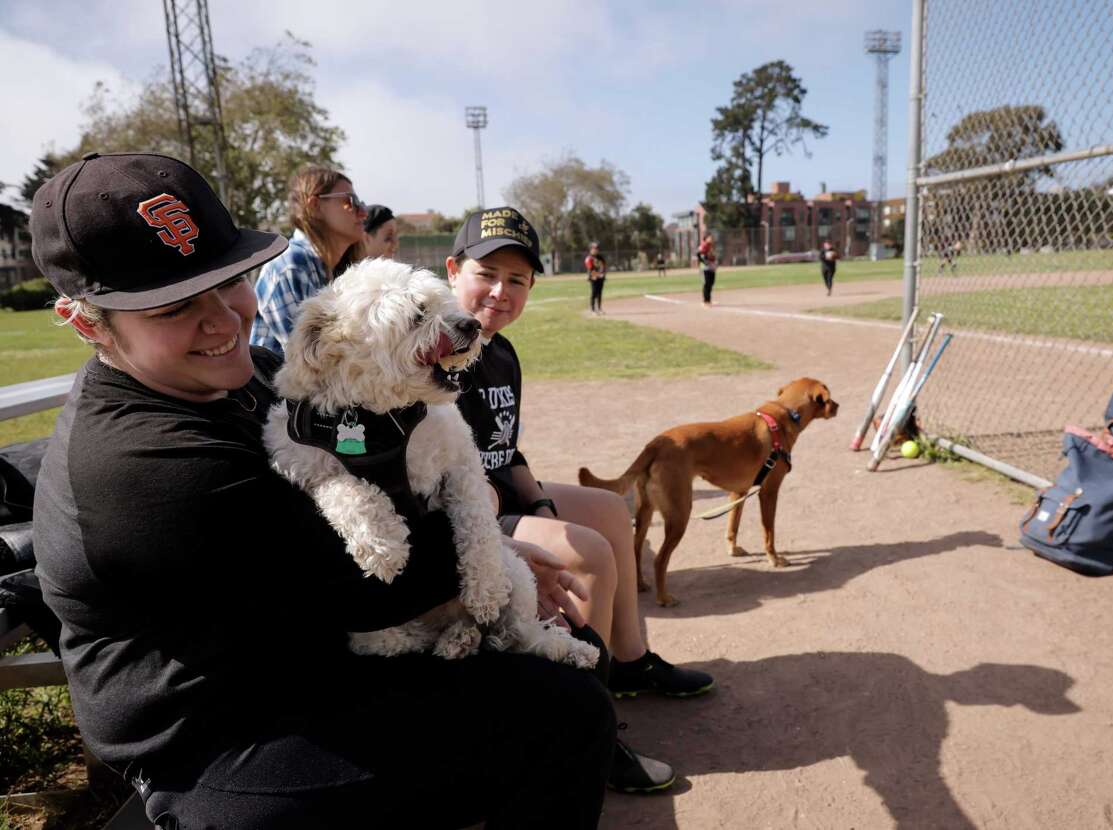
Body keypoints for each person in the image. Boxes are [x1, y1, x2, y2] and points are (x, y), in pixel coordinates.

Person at [30, 153, 615, 829]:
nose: (224, 321)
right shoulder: (148, 461)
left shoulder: (229, 374)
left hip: (302, 654)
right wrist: (493, 546)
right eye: (174, 307)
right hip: (216, 739)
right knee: (564, 709)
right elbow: (371, 586)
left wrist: (491, 537)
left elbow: (389, 438)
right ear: (87, 323)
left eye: (230, 283)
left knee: (571, 659)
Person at [446, 207, 715, 795]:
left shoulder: (501, 352)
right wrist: (528, 524)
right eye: (486, 273)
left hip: (497, 495)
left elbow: (507, 454)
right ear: (451, 271)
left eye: (517, 280)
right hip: (458, 514)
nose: (500, 291)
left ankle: (628, 659)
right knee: (586, 552)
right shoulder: (435, 352)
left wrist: (541, 506)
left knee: (610, 512)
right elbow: (436, 477)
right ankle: (586, 726)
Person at [250, 166, 367, 354]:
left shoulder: (330, 268)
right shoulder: (290, 264)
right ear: (315, 206)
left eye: (361, 203)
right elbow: (309, 358)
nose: (363, 212)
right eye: (350, 201)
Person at [584, 241, 607, 315]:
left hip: (601, 277)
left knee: (600, 293)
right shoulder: (589, 258)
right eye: (594, 248)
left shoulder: (601, 257)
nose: (596, 250)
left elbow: (603, 267)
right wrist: (597, 275)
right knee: (594, 293)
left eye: (597, 248)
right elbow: (590, 269)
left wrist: (603, 274)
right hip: (593, 277)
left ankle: (599, 308)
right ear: (591, 249)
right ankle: (593, 309)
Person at [697, 232, 717, 306]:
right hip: (705, 267)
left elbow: (712, 256)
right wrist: (704, 262)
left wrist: (714, 264)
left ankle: (709, 300)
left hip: (711, 266)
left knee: (711, 282)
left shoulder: (711, 246)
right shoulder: (704, 245)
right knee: (707, 283)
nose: (711, 239)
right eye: (710, 237)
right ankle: (706, 300)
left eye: (712, 238)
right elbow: (699, 254)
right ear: (706, 238)